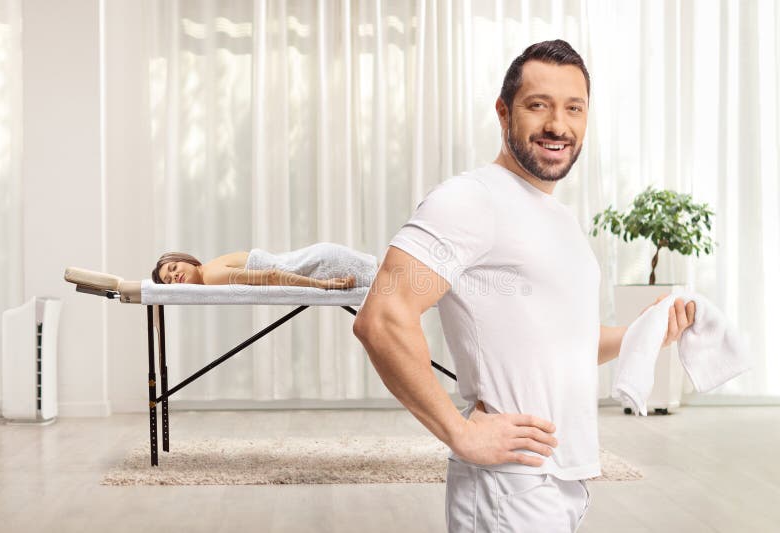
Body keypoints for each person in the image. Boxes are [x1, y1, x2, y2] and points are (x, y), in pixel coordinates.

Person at [353, 39, 696, 532]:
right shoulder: (471, 199)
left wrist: (644, 331)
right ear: (504, 112)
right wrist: (459, 432)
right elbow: (382, 318)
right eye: (539, 106)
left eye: (573, 108)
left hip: (560, 478)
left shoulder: (557, 218)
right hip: (507, 484)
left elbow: (564, 342)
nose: (558, 124)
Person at [152, 242, 379, 290]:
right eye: (169, 280)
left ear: (187, 260)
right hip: (318, 257)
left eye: (173, 269)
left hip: (319, 264)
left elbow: (270, 276)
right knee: (390, 274)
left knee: (393, 283)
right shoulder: (211, 268)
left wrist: (322, 284)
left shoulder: (211, 276)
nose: (175, 277)